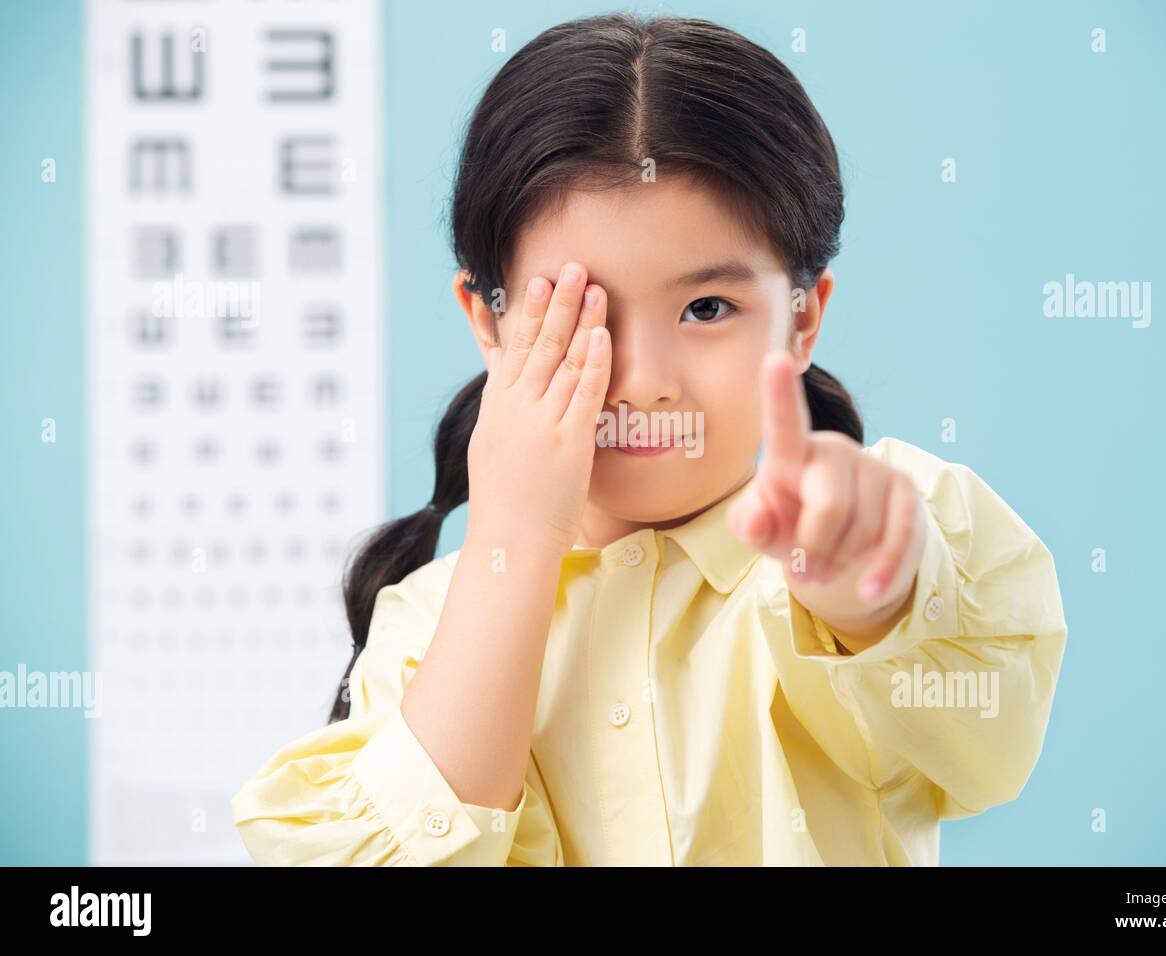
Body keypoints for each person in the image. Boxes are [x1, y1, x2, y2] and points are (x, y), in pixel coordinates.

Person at [230, 12, 1067, 866]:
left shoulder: (854, 543)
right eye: (583, 313)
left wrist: (872, 599)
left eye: (707, 309)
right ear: (490, 321)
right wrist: (514, 543)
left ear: (802, 320)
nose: (643, 379)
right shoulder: (429, 629)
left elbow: (985, 741)